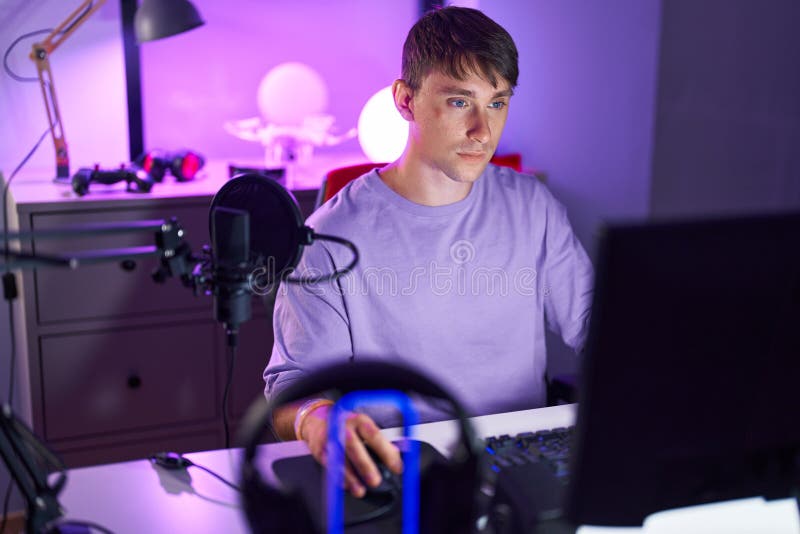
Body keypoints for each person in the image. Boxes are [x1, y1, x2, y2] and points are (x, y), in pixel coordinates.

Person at [264, 6, 593, 498]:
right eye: (460, 102)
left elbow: (597, 325)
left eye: (497, 103)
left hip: (522, 456)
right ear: (405, 100)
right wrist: (318, 420)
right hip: (402, 465)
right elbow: (292, 392)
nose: (483, 130)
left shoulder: (532, 206)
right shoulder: (328, 237)